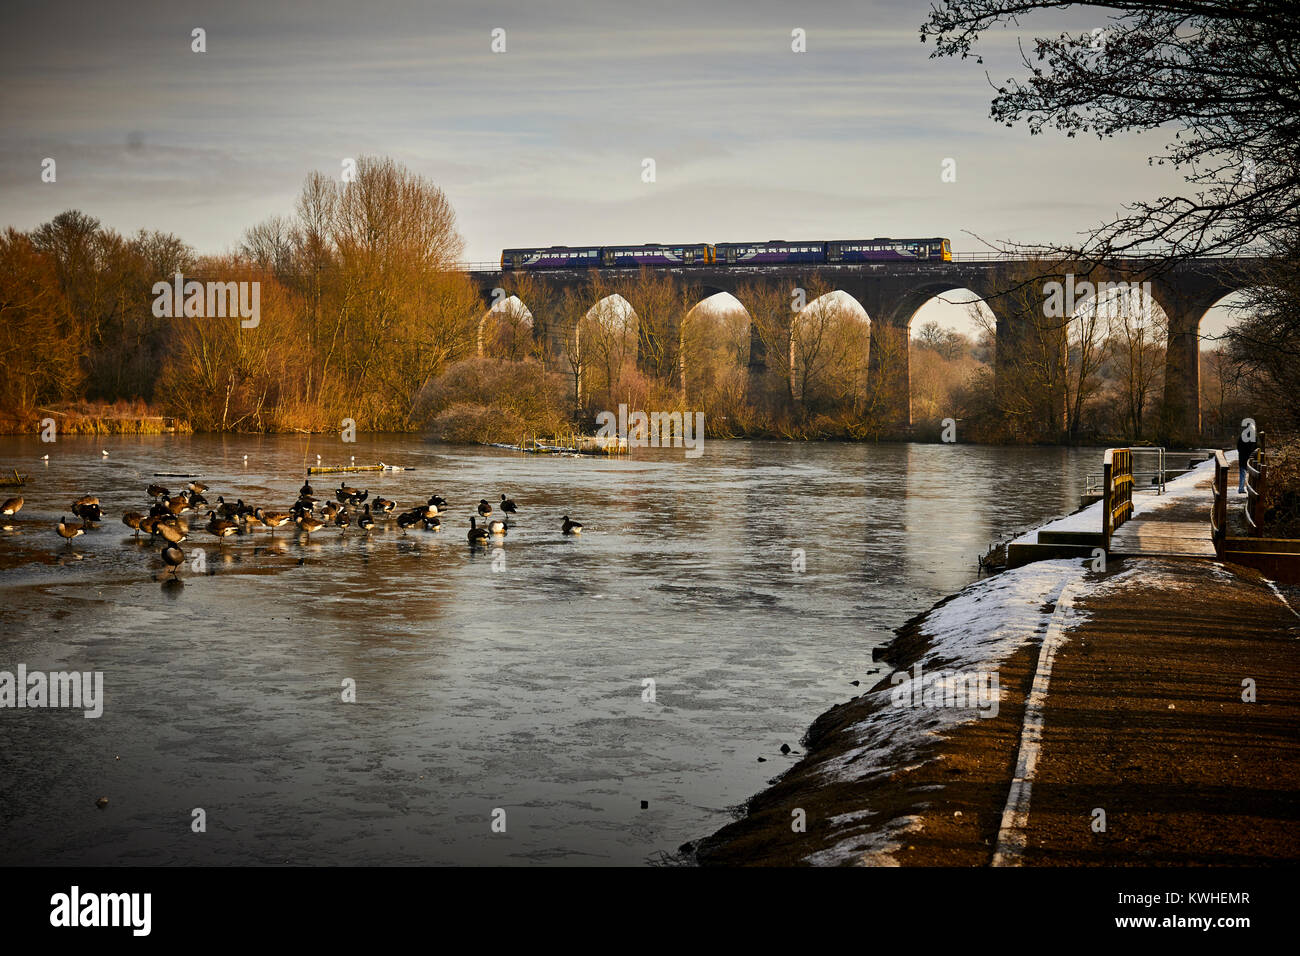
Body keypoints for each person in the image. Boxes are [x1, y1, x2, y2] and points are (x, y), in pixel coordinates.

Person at [1236, 427, 1258, 494]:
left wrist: (1241, 453)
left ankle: (1241, 488)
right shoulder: (1254, 437)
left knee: (1242, 474)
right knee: (1252, 474)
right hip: (1250, 459)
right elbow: (1256, 447)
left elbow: (1238, 447)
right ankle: (1252, 488)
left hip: (1242, 458)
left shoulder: (1242, 437)